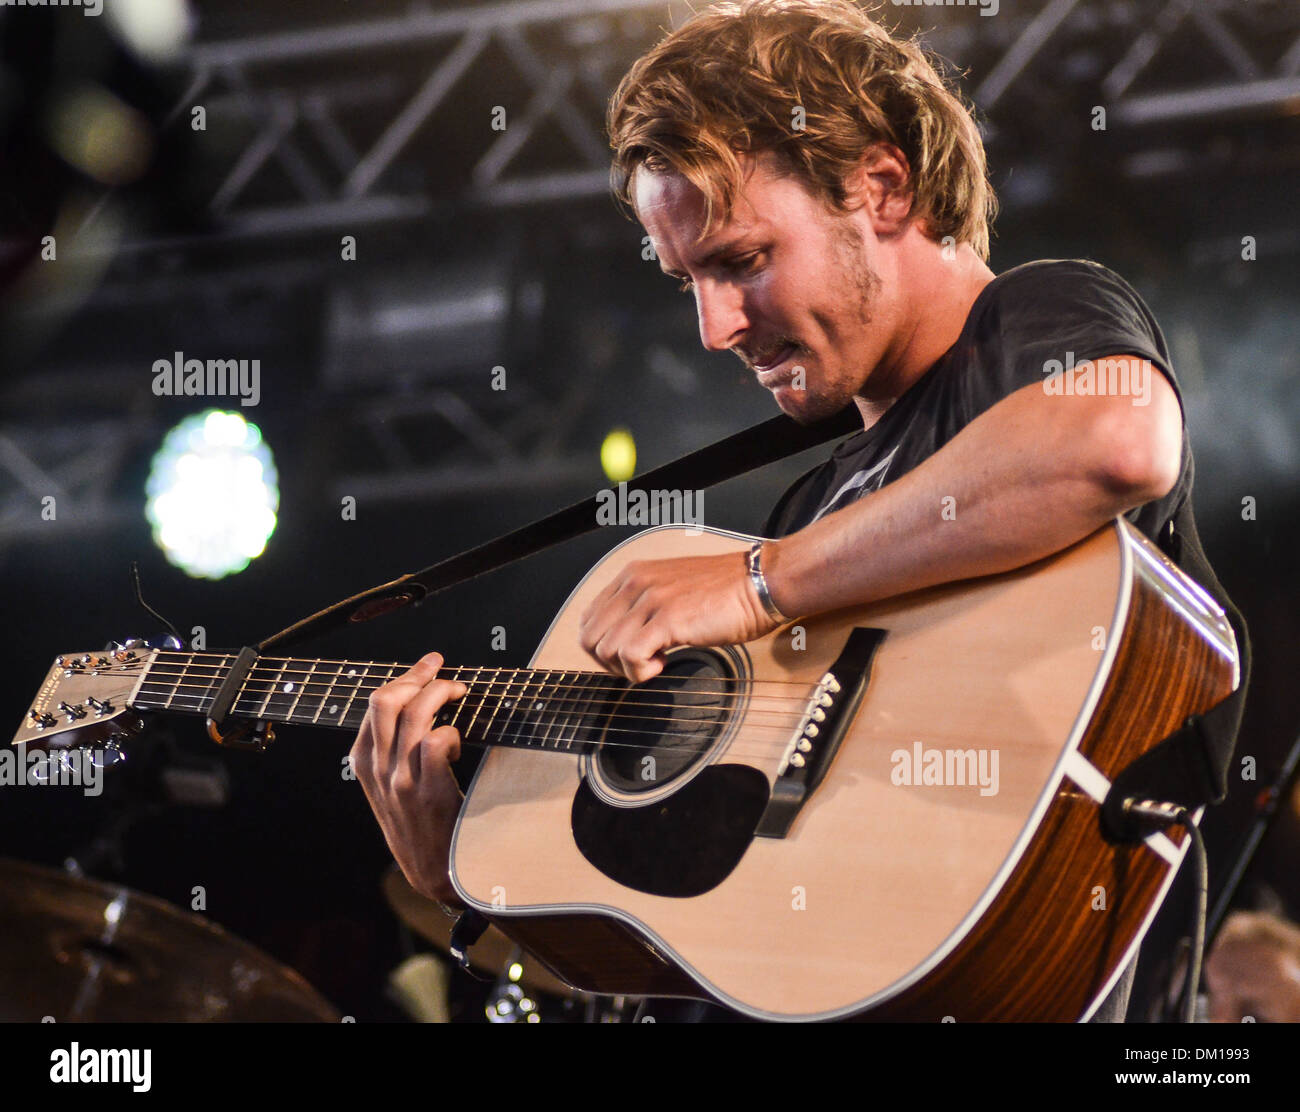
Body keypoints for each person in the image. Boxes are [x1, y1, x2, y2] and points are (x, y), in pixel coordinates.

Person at [349, 0, 1239, 1022]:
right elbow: (711, 954)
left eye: (740, 260)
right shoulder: (811, 508)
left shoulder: (1035, 314)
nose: (713, 326)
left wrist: (757, 580)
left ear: (883, 187)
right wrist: (464, 889)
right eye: (687, 280)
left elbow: (1115, 439)